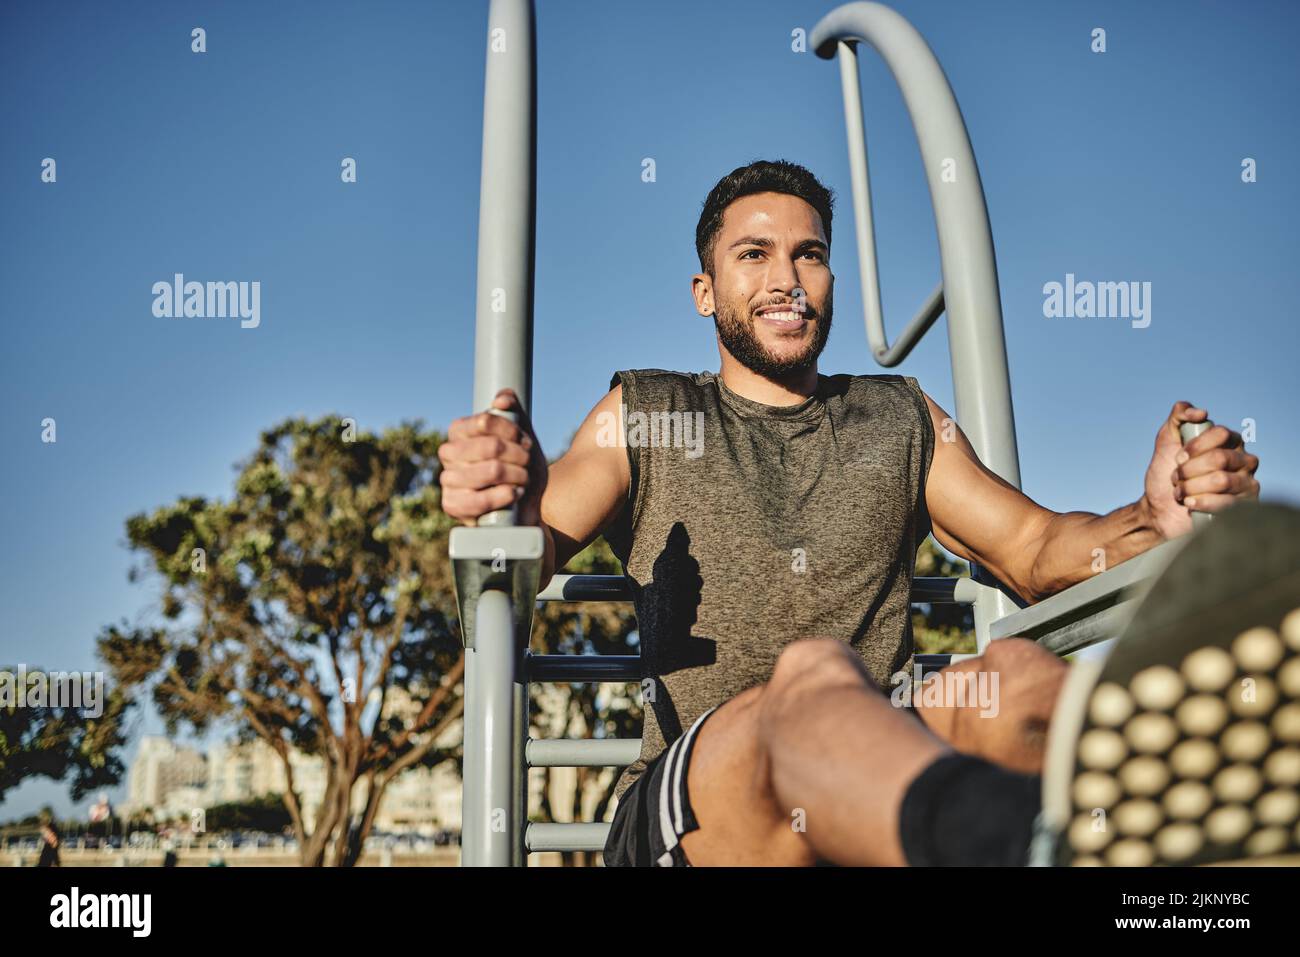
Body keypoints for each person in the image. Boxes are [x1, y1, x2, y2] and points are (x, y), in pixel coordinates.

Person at [437, 159, 1263, 866]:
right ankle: (1015, 840)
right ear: (705, 289)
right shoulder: (644, 412)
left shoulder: (900, 416)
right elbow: (530, 540)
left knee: (1012, 680)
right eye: (753, 254)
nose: (786, 279)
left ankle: (1189, 844)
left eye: (810, 255)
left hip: (875, 790)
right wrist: (496, 491)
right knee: (808, 679)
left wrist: (1156, 519)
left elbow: (1036, 547)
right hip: (693, 815)